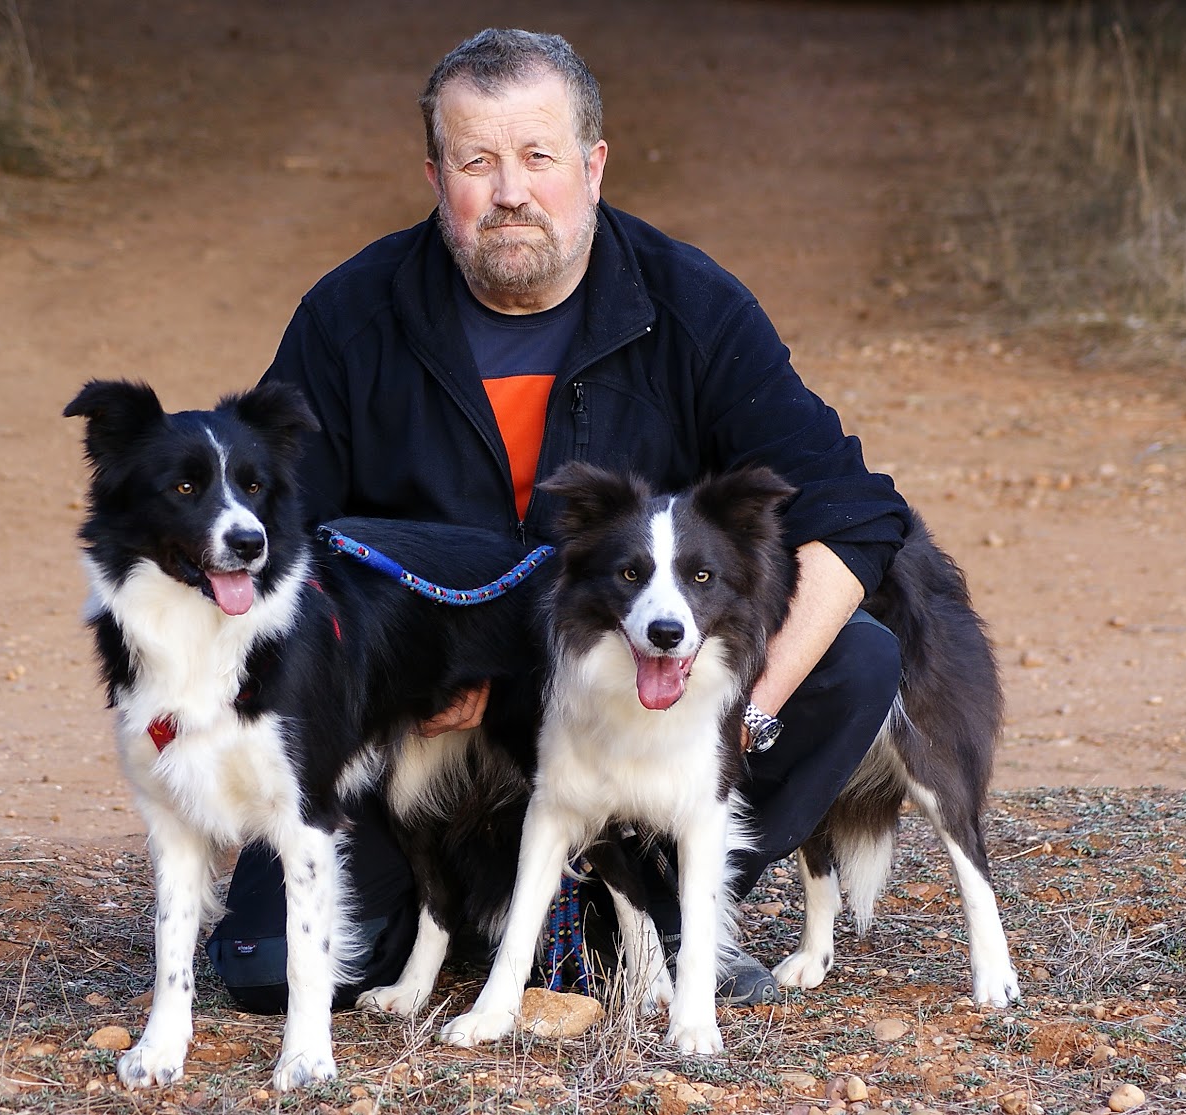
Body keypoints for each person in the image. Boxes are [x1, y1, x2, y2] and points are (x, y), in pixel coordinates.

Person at [205, 27, 907, 1011]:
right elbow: (273, 547)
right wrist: (392, 680)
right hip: (429, 730)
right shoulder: (349, 316)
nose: (509, 191)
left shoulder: (692, 305)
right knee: (270, 971)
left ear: (593, 163)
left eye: (538, 157)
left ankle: (665, 904)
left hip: (637, 707)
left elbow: (855, 511)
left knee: (859, 657)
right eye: (474, 161)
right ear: (433, 174)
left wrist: (740, 713)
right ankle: (494, 914)